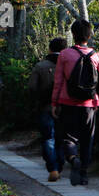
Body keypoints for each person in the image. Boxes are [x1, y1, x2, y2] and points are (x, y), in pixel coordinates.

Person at [51, 18, 99, 186]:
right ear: (89, 36)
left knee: (68, 137)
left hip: (67, 102)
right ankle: (83, 174)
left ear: (73, 34)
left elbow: (58, 81)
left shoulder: (64, 55)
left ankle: (73, 158)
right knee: (87, 139)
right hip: (90, 104)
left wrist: (54, 103)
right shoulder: (96, 56)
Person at [28, 37, 67, 181]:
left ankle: (53, 167)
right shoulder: (68, 65)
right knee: (61, 137)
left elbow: (32, 87)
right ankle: (60, 166)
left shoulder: (40, 66)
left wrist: (36, 100)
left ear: (50, 49)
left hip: (45, 106)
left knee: (47, 137)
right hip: (64, 106)